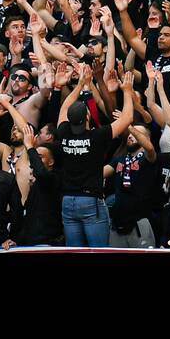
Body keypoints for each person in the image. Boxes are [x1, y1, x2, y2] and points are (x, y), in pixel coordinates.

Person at [55, 63, 135, 248]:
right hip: (90, 200)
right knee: (98, 251)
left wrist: (80, 84)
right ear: (88, 118)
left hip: (68, 201)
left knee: (74, 252)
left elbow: (63, 109)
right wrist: (128, 91)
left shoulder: (63, 132)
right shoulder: (97, 136)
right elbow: (128, 118)